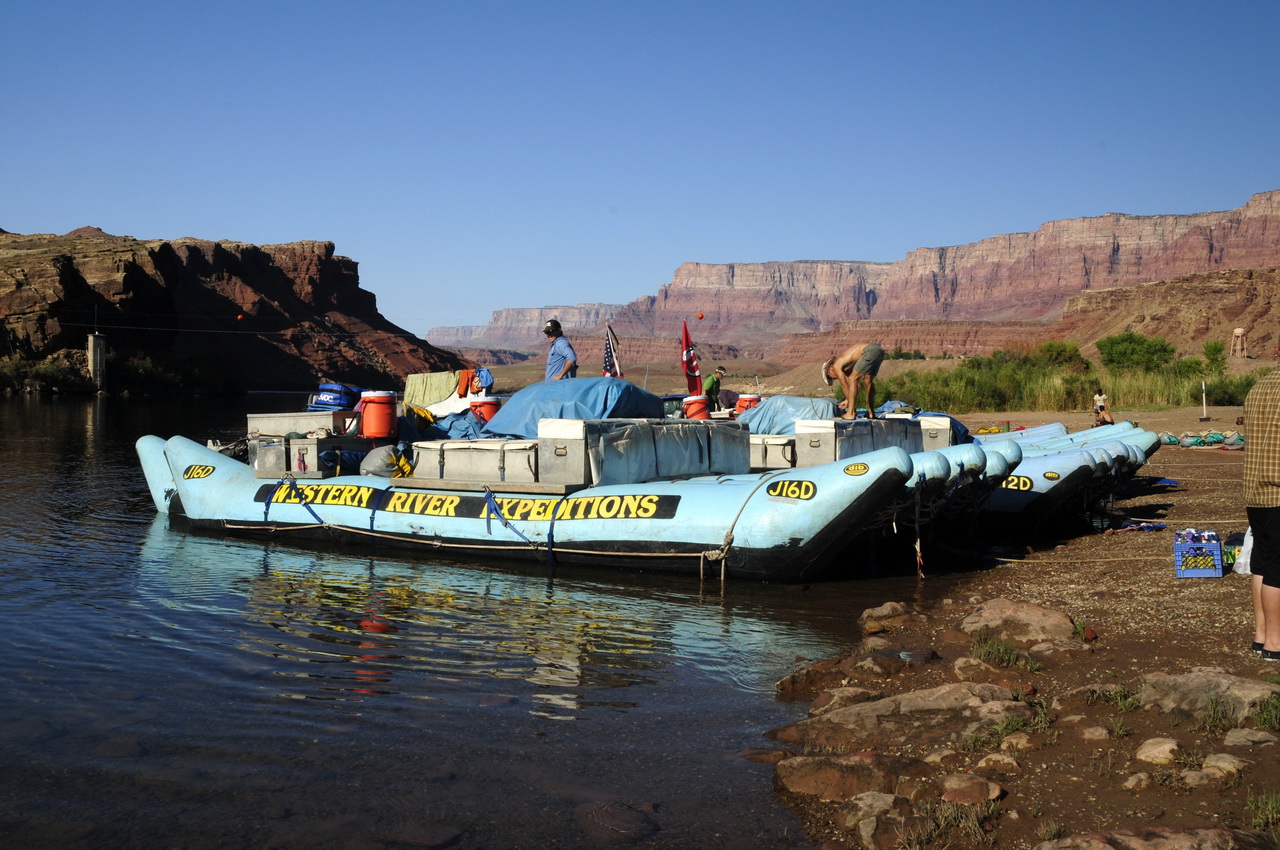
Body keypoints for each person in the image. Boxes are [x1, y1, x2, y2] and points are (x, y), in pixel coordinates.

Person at [1243, 369, 1280, 661]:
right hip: (1278, 491)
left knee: (1263, 564)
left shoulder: (1260, 384)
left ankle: (1262, 636)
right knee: (1277, 569)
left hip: (1256, 491)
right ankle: (1275, 645)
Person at [822, 342, 885, 420]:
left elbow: (844, 385)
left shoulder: (836, 365)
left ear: (830, 370)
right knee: (867, 381)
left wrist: (851, 406)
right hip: (879, 350)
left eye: (830, 377)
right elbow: (857, 385)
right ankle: (871, 413)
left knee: (852, 378)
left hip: (869, 350)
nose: (835, 379)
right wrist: (847, 400)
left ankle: (850, 413)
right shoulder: (846, 367)